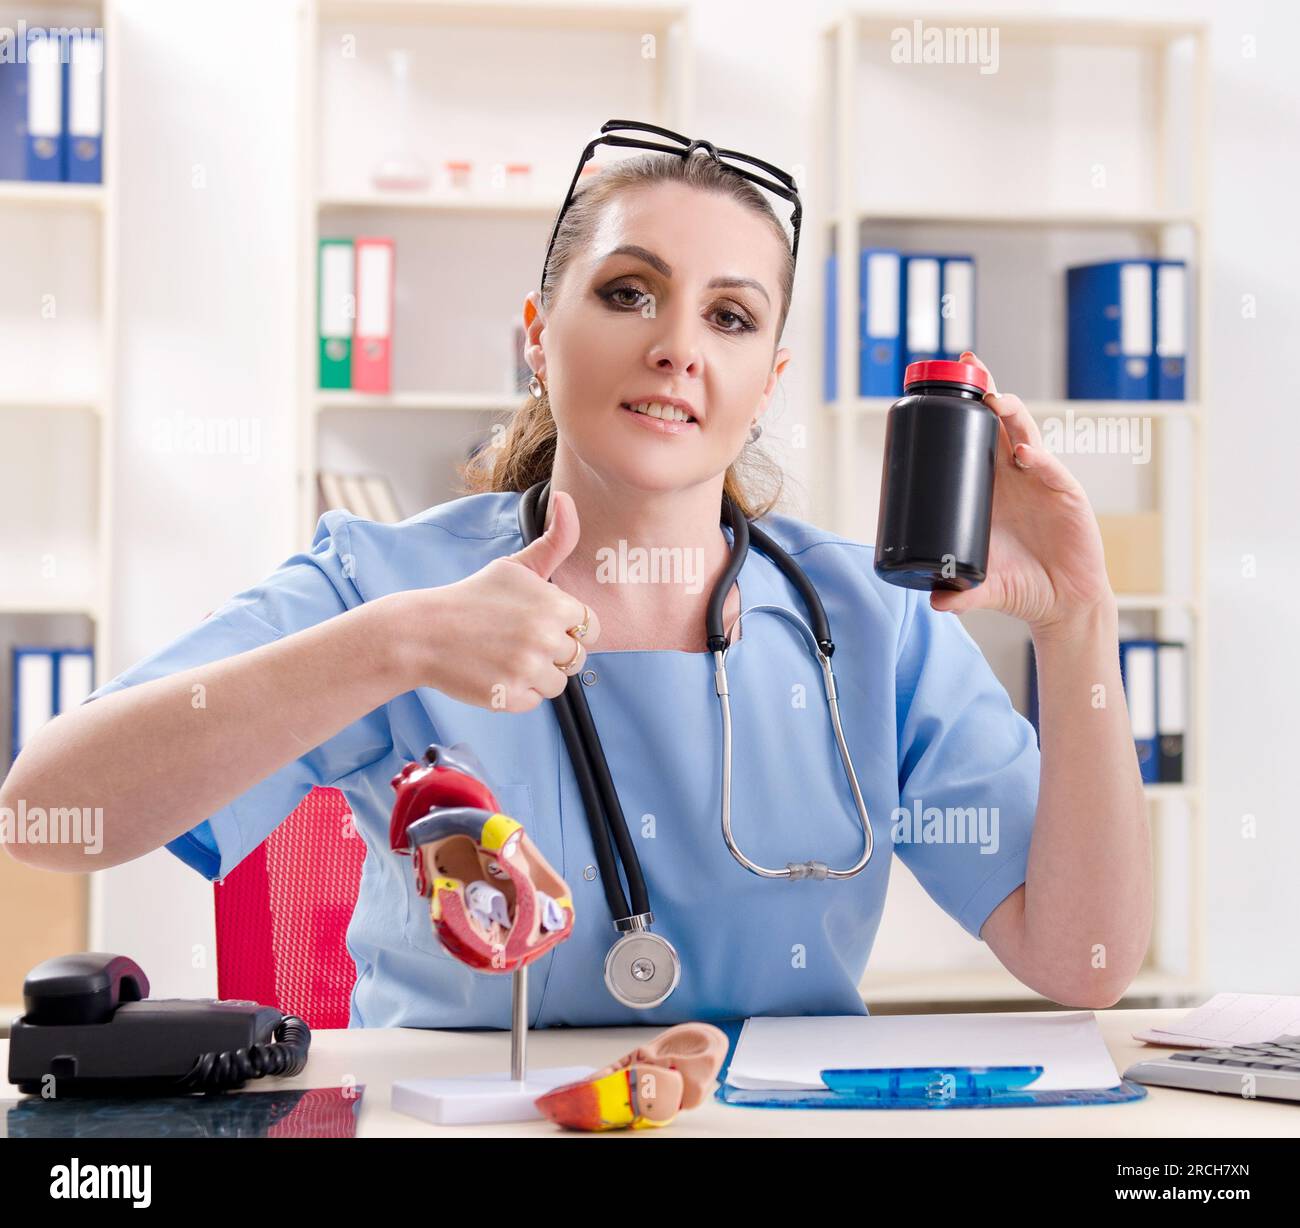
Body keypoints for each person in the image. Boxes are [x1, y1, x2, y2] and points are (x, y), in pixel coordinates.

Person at [1, 141, 1151, 1029]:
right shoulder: (387, 581)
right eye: (627, 293)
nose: (677, 346)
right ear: (537, 336)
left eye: (731, 316)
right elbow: (45, 813)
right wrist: (389, 647)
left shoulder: (872, 618)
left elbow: (1084, 962)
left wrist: (1077, 625)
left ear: (767, 381)